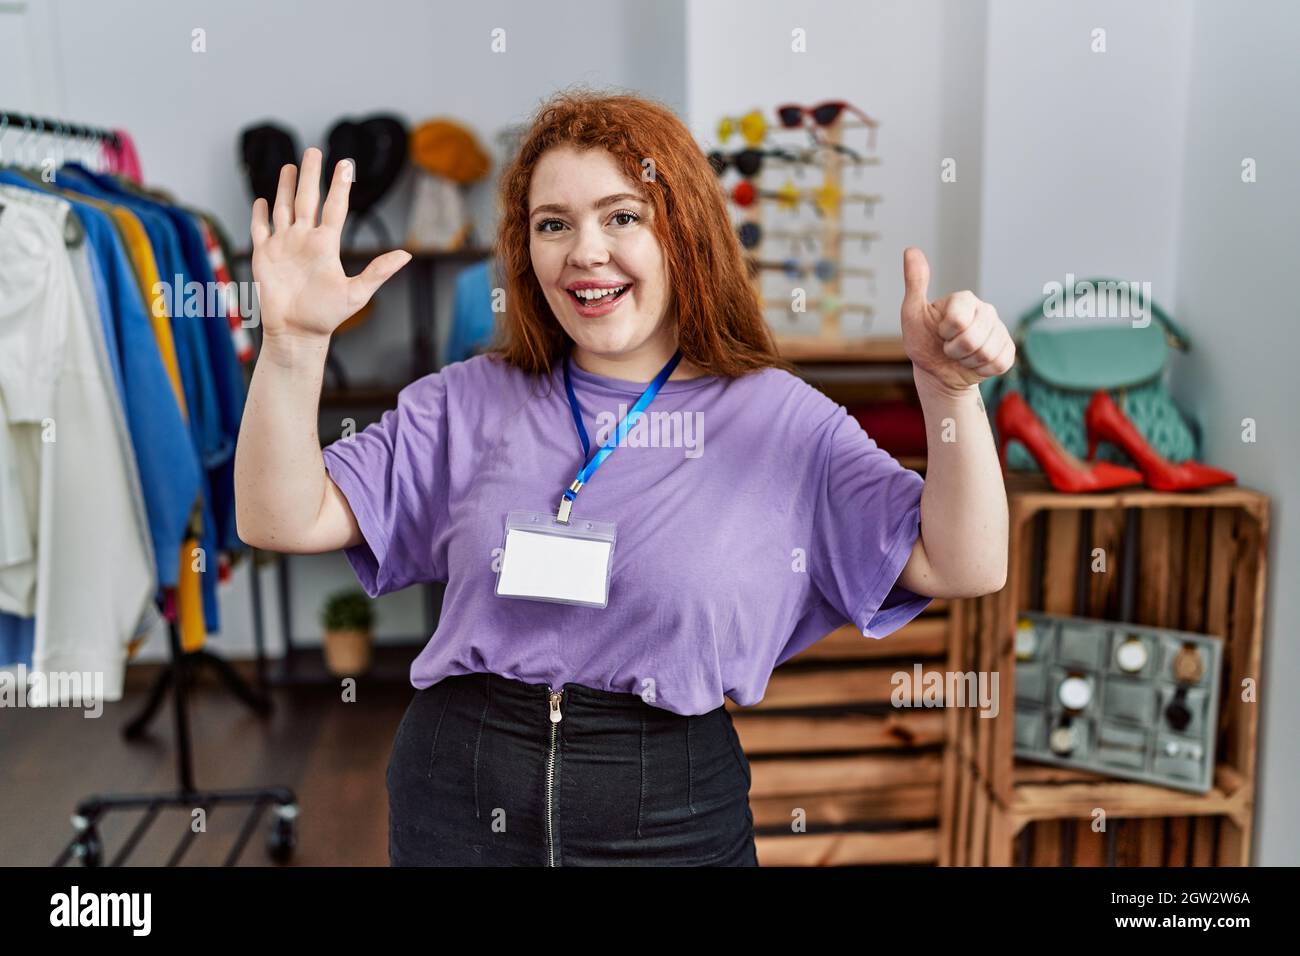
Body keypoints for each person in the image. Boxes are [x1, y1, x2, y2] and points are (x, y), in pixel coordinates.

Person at [233, 90, 1014, 867]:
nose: (585, 251)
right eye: (553, 224)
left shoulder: (781, 419)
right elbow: (282, 519)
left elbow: (963, 564)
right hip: (459, 793)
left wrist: (949, 393)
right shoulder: (470, 398)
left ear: (685, 232)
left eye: (622, 216)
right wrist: (295, 347)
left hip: (670, 813)